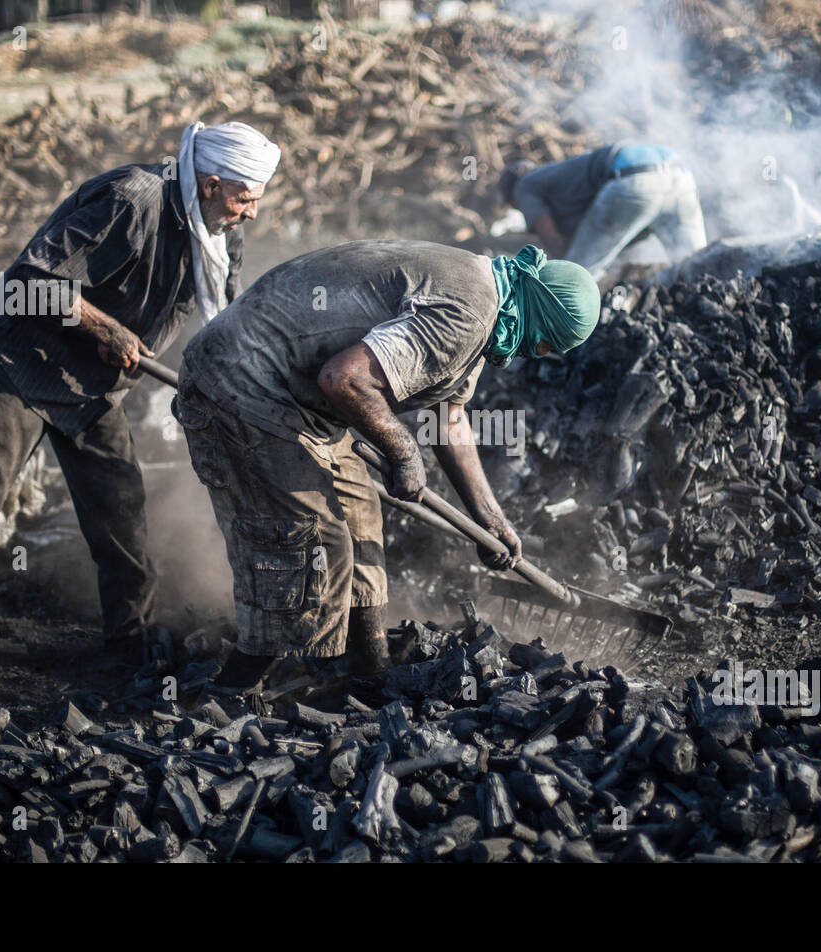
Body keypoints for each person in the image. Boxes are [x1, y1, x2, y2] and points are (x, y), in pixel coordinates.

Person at [0, 121, 280, 698]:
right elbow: (29, 280)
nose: (251, 211)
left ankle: (127, 644)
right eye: (245, 197)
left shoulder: (218, 233)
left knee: (120, 510)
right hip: (20, 360)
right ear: (211, 182)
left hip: (91, 381)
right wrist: (106, 325)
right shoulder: (132, 200)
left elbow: (224, 319)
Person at [173, 240, 599, 693]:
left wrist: (490, 518)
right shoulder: (469, 313)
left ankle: (369, 671)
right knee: (313, 541)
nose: (536, 351)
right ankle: (232, 692)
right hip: (243, 382)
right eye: (546, 342)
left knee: (360, 515)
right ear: (541, 314)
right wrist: (403, 451)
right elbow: (345, 378)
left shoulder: (492, 301)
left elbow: (447, 417)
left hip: (298, 397)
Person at [499, 142, 707, 281]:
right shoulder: (557, 177)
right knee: (697, 268)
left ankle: (569, 339)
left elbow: (548, 232)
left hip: (632, 180)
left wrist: (567, 263)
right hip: (681, 176)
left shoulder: (523, 185)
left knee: (576, 276)